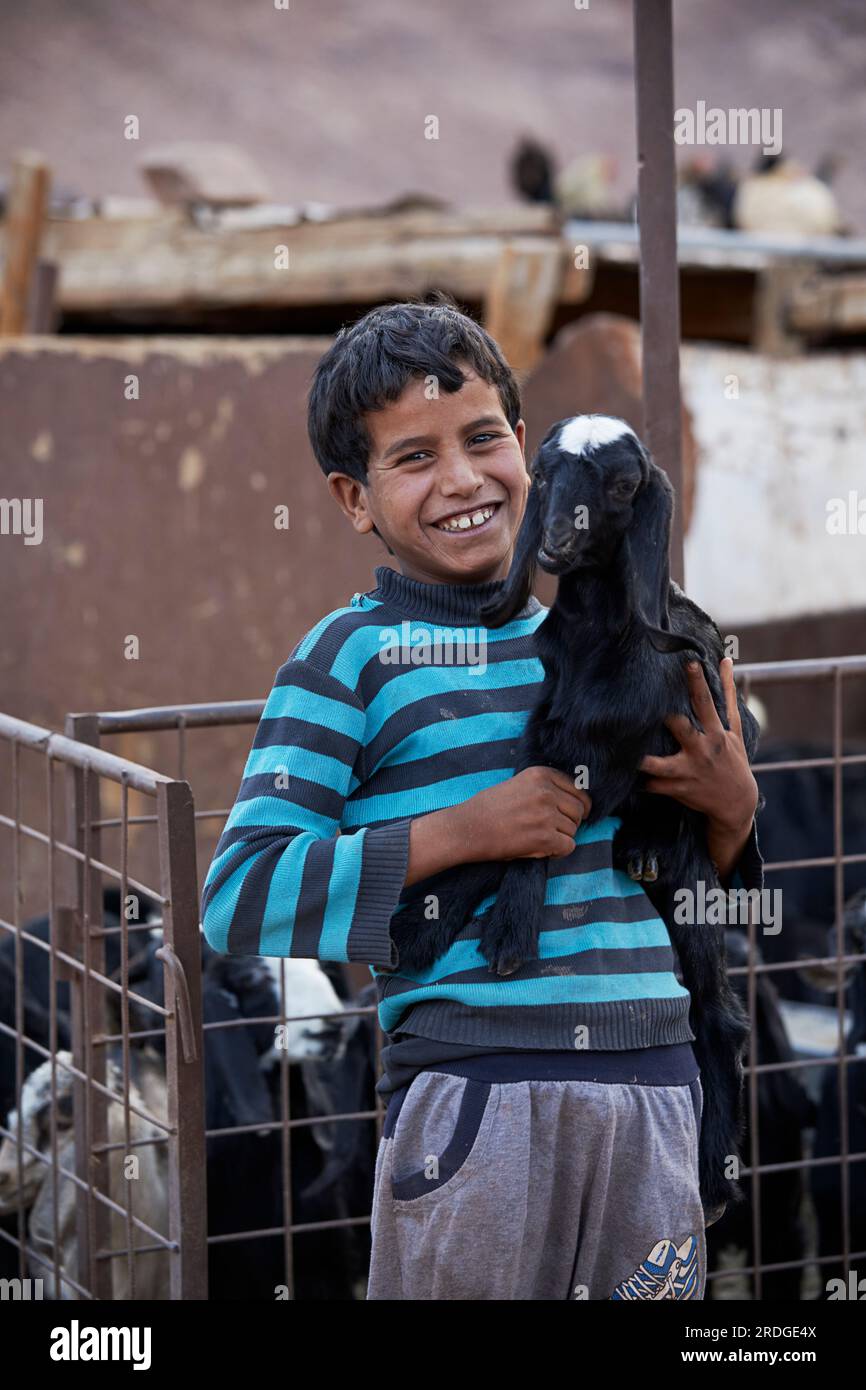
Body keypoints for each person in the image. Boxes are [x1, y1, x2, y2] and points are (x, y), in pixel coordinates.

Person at [200, 293, 761, 1300]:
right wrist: (463, 830)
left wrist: (727, 814)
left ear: (529, 454)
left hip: (653, 1090)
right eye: (412, 457)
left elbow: (680, 892)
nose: (461, 479)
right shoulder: (349, 660)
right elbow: (241, 893)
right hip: (476, 1099)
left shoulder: (610, 653)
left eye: (482, 438)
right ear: (352, 497)